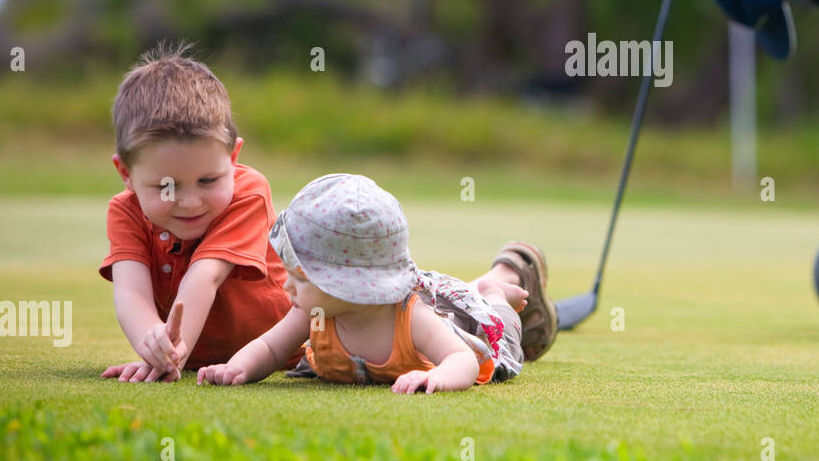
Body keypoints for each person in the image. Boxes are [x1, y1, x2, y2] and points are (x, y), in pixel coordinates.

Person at [197, 174, 557, 392]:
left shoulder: (409, 317)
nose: (287, 288)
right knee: (459, 300)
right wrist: (237, 368)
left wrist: (439, 379)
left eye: (300, 278)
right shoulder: (314, 312)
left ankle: (495, 289)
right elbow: (271, 349)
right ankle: (479, 287)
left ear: (348, 285)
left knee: (503, 342)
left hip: (465, 328)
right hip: (431, 304)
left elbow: (461, 358)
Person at [99, 42, 299, 383]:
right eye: (167, 186)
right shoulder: (124, 212)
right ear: (126, 174)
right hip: (192, 361)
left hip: (282, 354)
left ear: (233, 158)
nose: (190, 201)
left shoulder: (247, 192)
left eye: (208, 180)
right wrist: (156, 347)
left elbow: (206, 275)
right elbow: (131, 292)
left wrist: (174, 354)